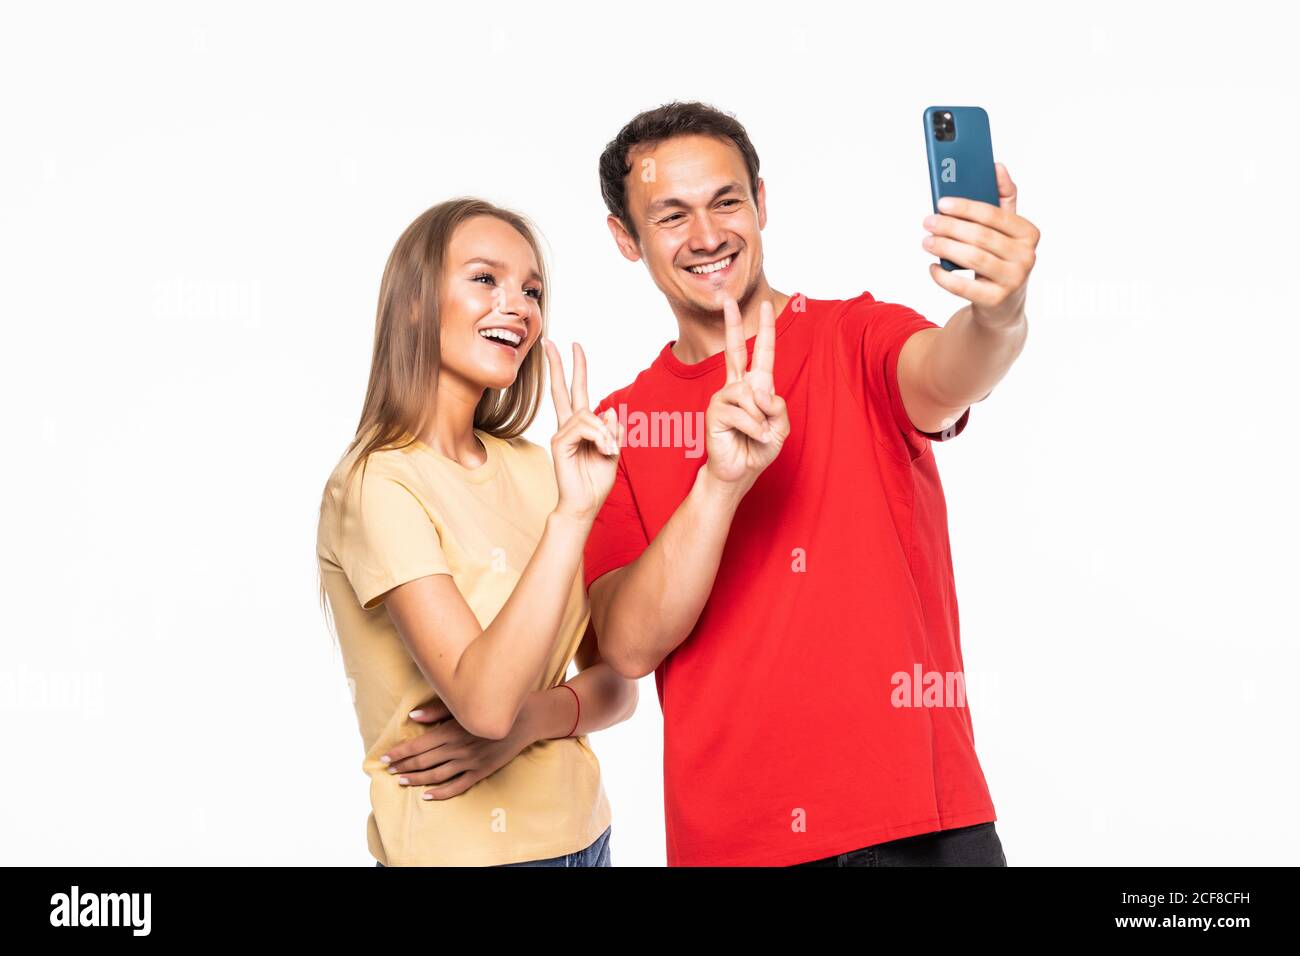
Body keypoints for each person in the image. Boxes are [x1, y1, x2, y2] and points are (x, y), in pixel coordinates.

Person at [583, 101, 1038, 866]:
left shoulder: (854, 336)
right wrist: (718, 486)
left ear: (761, 203)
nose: (707, 235)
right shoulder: (617, 426)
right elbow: (624, 648)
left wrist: (1000, 316)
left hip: (917, 829)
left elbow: (947, 373)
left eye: (727, 201)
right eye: (671, 215)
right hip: (733, 844)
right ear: (625, 239)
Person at [316, 197, 636, 867]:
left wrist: (528, 725)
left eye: (532, 289)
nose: (517, 305)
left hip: (587, 840)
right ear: (414, 302)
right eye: (485, 278)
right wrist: (572, 520)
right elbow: (484, 705)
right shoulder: (380, 483)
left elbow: (617, 686)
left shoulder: (543, 470)